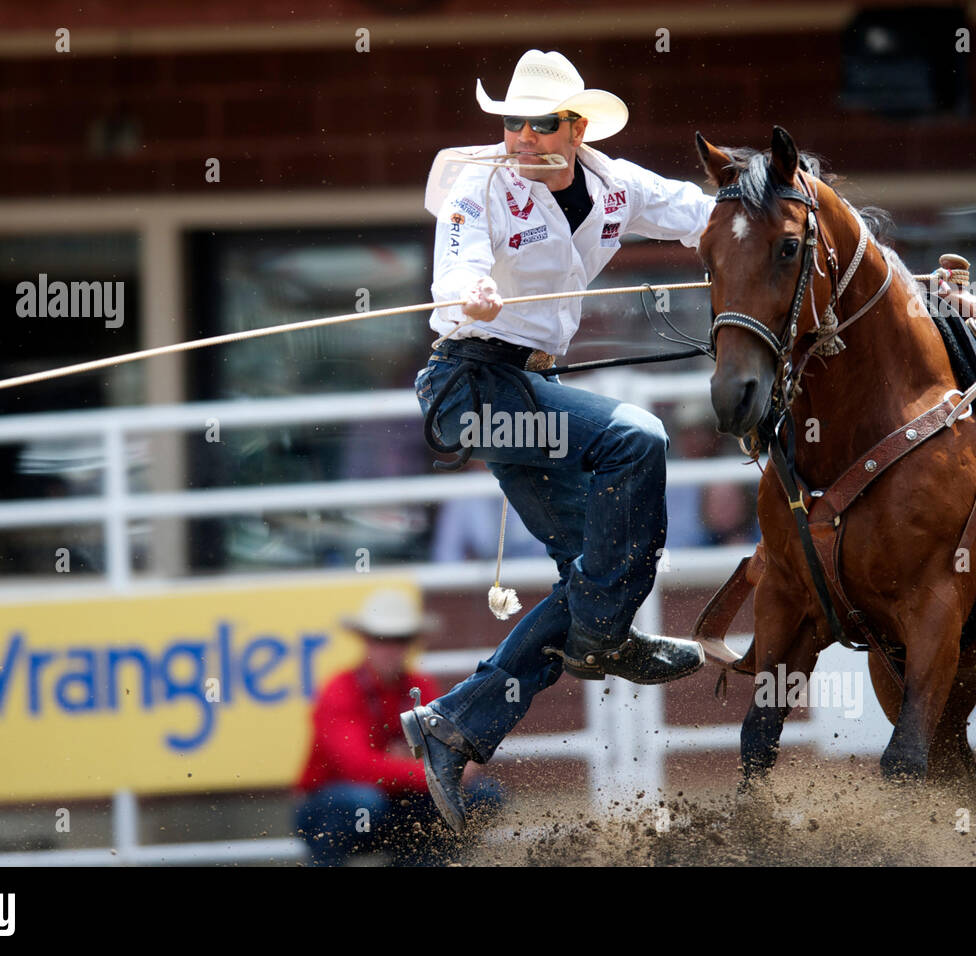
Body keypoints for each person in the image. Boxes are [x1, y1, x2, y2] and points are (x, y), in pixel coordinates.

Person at [402, 50, 714, 833]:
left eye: (542, 124)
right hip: (470, 387)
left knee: (589, 573)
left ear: (577, 128)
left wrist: (784, 219)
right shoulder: (477, 185)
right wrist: (468, 290)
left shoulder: (615, 186)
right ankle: (607, 638)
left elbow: (699, 212)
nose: (523, 138)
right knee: (636, 438)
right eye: (512, 123)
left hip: (515, 387)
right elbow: (463, 258)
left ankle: (458, 722)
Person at [294, 588, 499, 864]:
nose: (390, 649)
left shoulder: (420, 686)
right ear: (365, 642)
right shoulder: (340, 690)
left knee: (482, 797)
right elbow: (359, 768)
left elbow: (448, 753)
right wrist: (433, 771)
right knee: (365, 802)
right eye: (381, 639)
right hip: (329, 804)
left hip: (394, 800)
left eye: (399, 640)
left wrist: (415, 766)